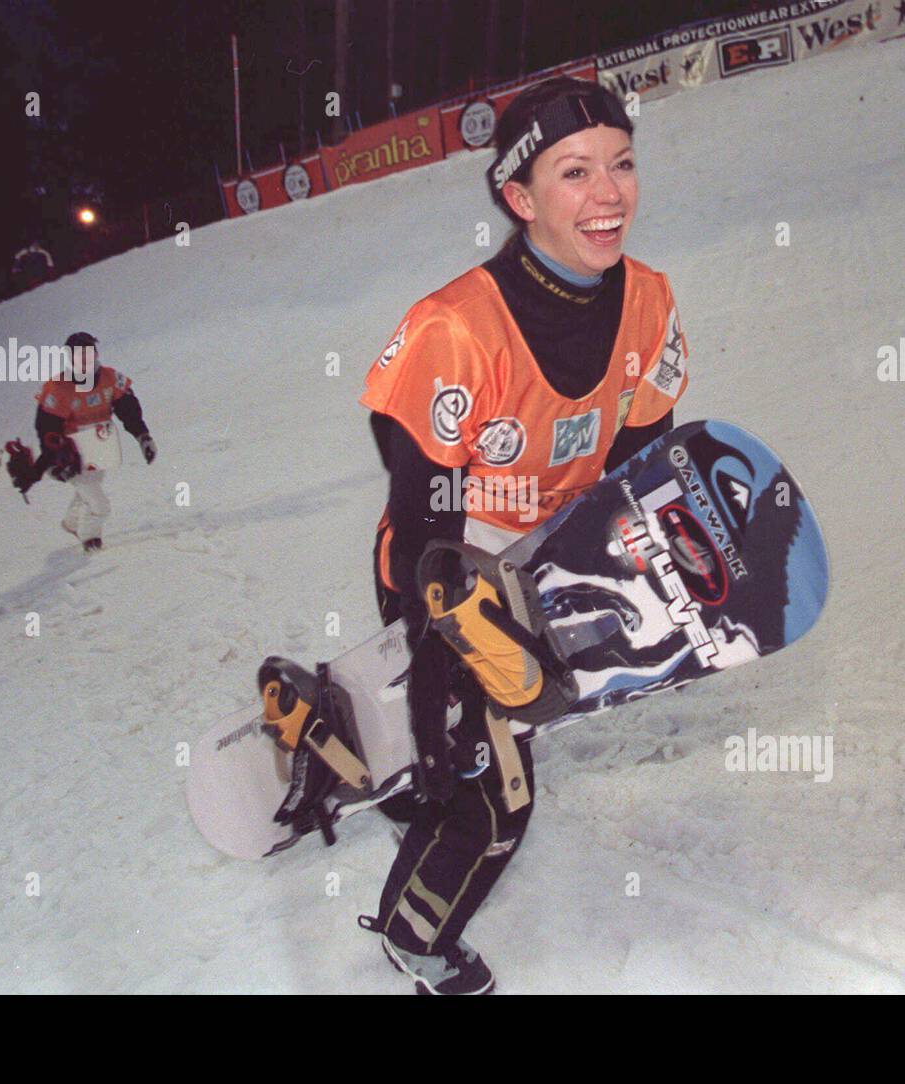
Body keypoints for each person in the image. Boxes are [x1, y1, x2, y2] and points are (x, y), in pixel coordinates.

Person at [357, 76, 690, 993]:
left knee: (486, 746)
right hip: (444, 567)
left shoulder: (650, 303)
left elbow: (634, 474)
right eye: (574, 172)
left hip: (545, 567)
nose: (610, 193)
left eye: (622, 164)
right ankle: (411, 937)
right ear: (519, 196)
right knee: (498, 799)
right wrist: (435, 653)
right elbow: (424, 511)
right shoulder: (455, 327)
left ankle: (422, 780)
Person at [13, 332, 157, 551]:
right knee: (100, 505)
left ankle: (71, 523)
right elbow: (47, 429)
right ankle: (90, 538)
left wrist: (143, 437)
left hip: (102, 443)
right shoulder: (58, 388)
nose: (84, 360)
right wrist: (48, 464)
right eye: (77, 355)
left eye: (88, 353)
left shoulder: (111, 378)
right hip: (71, 453)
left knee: (90, 489)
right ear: (69, 357)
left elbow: (129, 411)